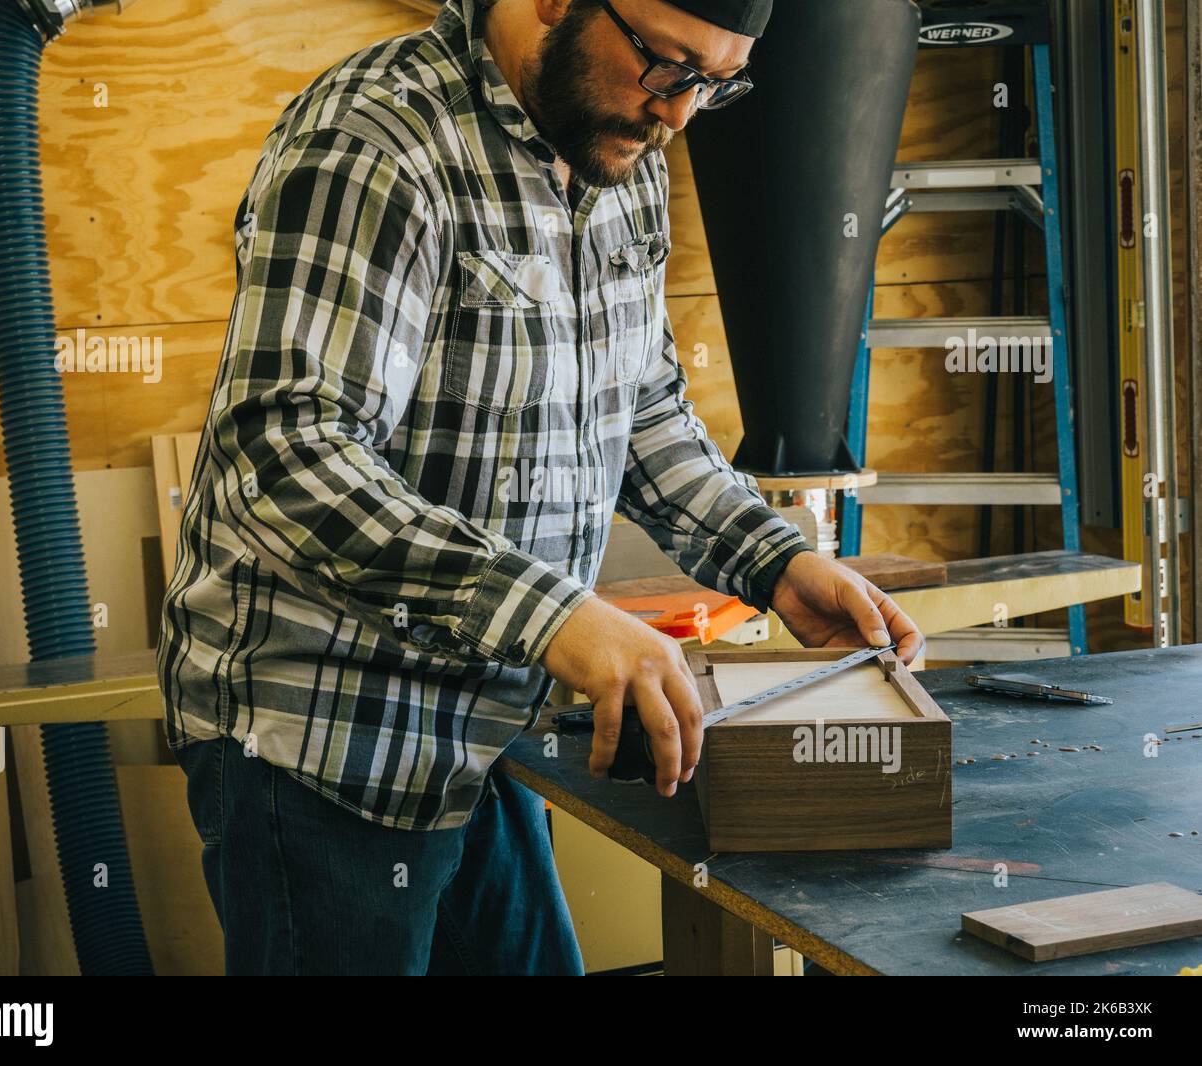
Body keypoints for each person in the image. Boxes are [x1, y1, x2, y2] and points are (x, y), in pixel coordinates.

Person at [157, 0, 923, 975]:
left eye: (714, 82)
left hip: (487, 716)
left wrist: (775, 561)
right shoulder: (378, 142)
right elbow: (288, 453)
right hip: (323, 739)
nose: (680, 114)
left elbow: (643, 414)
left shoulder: (619, 153)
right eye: (666, 64)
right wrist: (558, 619)